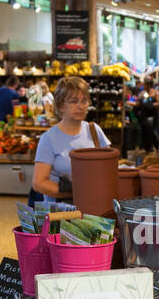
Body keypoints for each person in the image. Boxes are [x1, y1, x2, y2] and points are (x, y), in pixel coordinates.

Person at [31, 76, 110, 205]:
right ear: (61, 106)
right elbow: (39, 183)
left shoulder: (94, 131)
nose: (80, 106)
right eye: (73, 101)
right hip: (60, 213)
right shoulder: (49, 139)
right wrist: (74, 192)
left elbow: (108, 168)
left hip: (93, 207)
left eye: (84, 101)